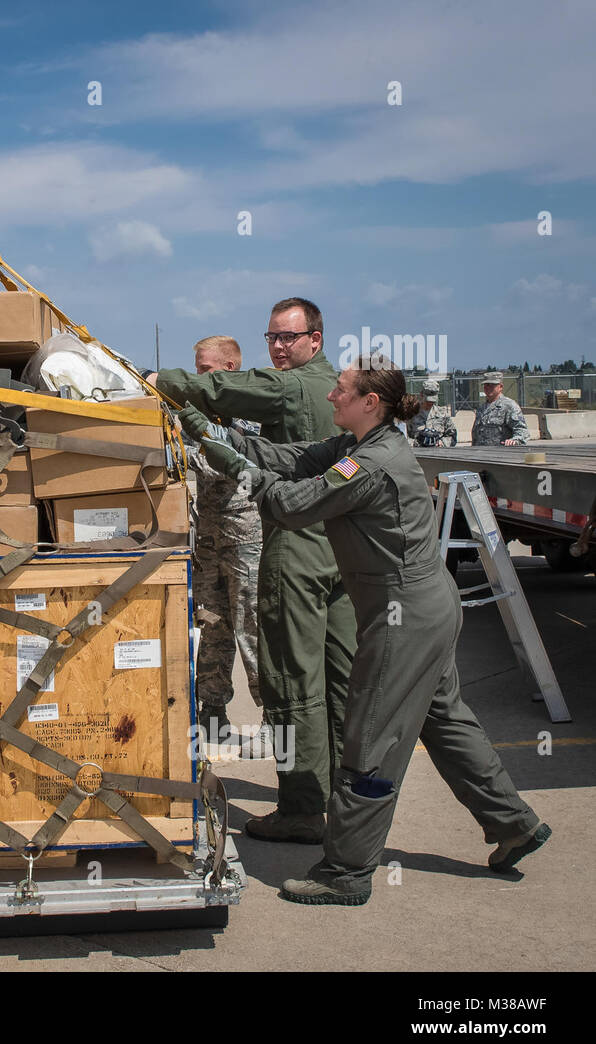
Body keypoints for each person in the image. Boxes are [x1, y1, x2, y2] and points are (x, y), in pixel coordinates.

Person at [182, 355, 551, 905]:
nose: (331, 396)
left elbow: (287, 503)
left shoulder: (369, 464)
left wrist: (232, 465)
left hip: (404, 615)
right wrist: (222, 434)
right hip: (425, 608)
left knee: (369, 736)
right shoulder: (358, 446)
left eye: (341, 390)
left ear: (369, 402)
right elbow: (294, 459)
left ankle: (347, 872)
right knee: (442, 718)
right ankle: (513, 823)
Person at [151, 298, 356, 844]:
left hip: (274, 539)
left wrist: (161, 383)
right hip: (284, 541)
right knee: (227, 628)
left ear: (315, 337)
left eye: (288, 338)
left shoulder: (282, 391)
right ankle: (337, 796)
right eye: (273, 338)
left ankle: (301, 800)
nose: (279, 347)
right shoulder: (328, 398)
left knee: (282, 666)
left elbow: (247, 458)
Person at [182, 336, 264, 749]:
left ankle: (274, 714)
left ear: (231, 368)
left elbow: (229, 463)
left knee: (251, 625)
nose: (200, 379)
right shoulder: (201, 410)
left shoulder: (249, 412)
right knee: (212, 625)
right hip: (211, 536)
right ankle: (212, 712)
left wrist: (188, 449)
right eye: (196, 371)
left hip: (245, 538)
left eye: (207, 371)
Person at [471, 371, 528, 446]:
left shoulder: (509, 406)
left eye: (492, 385)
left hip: (500, 453)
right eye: (486, 385)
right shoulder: (481, 409)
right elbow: (476, 434)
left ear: (500, 387)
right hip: (480, 453)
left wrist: (515, 440)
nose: (488, 388)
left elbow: (521, 430)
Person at [409, 379, 457, 447]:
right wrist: (415, 443)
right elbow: (402, 438)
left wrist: (442, 443)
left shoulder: (442, 415)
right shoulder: (411, 414)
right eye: (428, 401)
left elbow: (452, 436)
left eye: (433, 401)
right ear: (421, 395)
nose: (430, 403)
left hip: (439, 454)